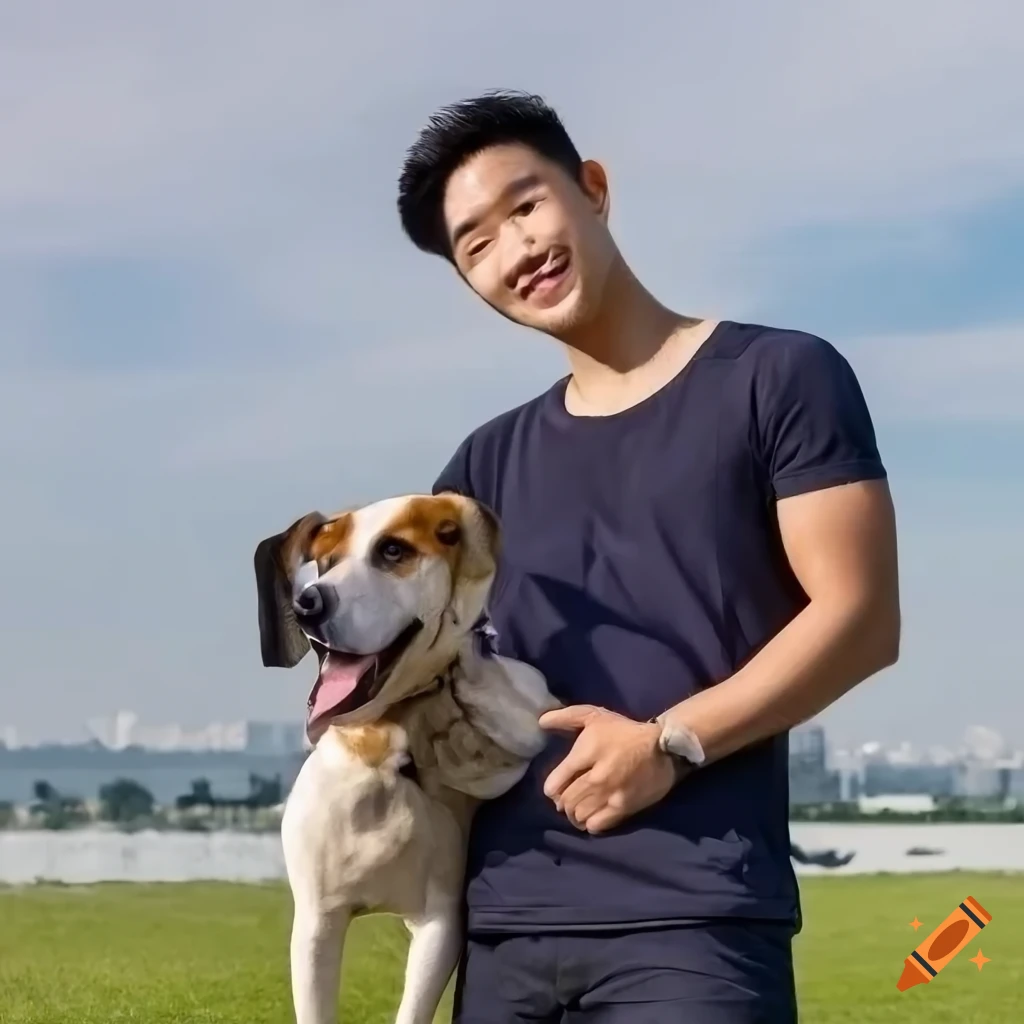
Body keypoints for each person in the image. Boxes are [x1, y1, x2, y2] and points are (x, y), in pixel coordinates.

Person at [396, 90, 900, 1024]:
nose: (516, 249)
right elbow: (429, 671)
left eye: (527, 204)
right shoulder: (480, 466)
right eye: (477, 246)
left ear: (592, 189)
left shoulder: (777, 377)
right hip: (502, 925)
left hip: (694, 923)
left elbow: (862, 619)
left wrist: (670, 743)